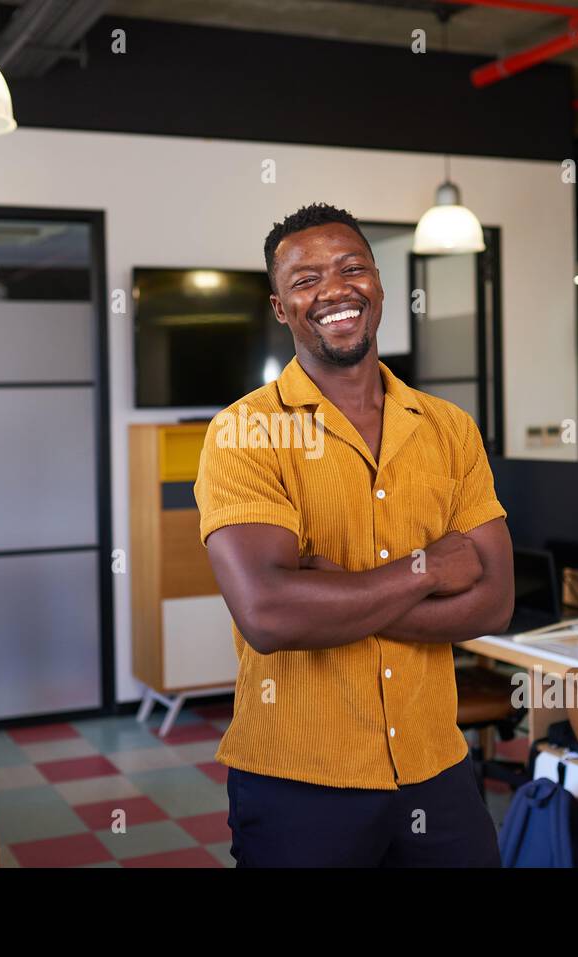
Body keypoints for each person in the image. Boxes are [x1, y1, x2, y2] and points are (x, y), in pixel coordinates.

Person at [194, 202, 515, 867]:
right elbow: (270, 614)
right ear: (281, 307)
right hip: (299, 779)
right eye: (306, 278)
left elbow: (494, 600)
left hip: (436, 764)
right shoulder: (244, 432)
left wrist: (336, 593)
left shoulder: (449, 428)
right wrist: (424, 570)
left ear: (378, 283)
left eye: (351, 268)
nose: (334, 289)